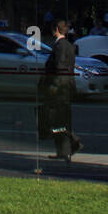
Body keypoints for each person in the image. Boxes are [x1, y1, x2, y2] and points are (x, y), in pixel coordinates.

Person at [42, 20, 82, 160]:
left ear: (56, 30)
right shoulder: (70, 46)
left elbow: (59, 67)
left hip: (59, 87)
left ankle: (70, 143)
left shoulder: (59, 46)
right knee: (62, 119)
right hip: (67, 86)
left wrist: (54, 86)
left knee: (57, 119)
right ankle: (65, 149)